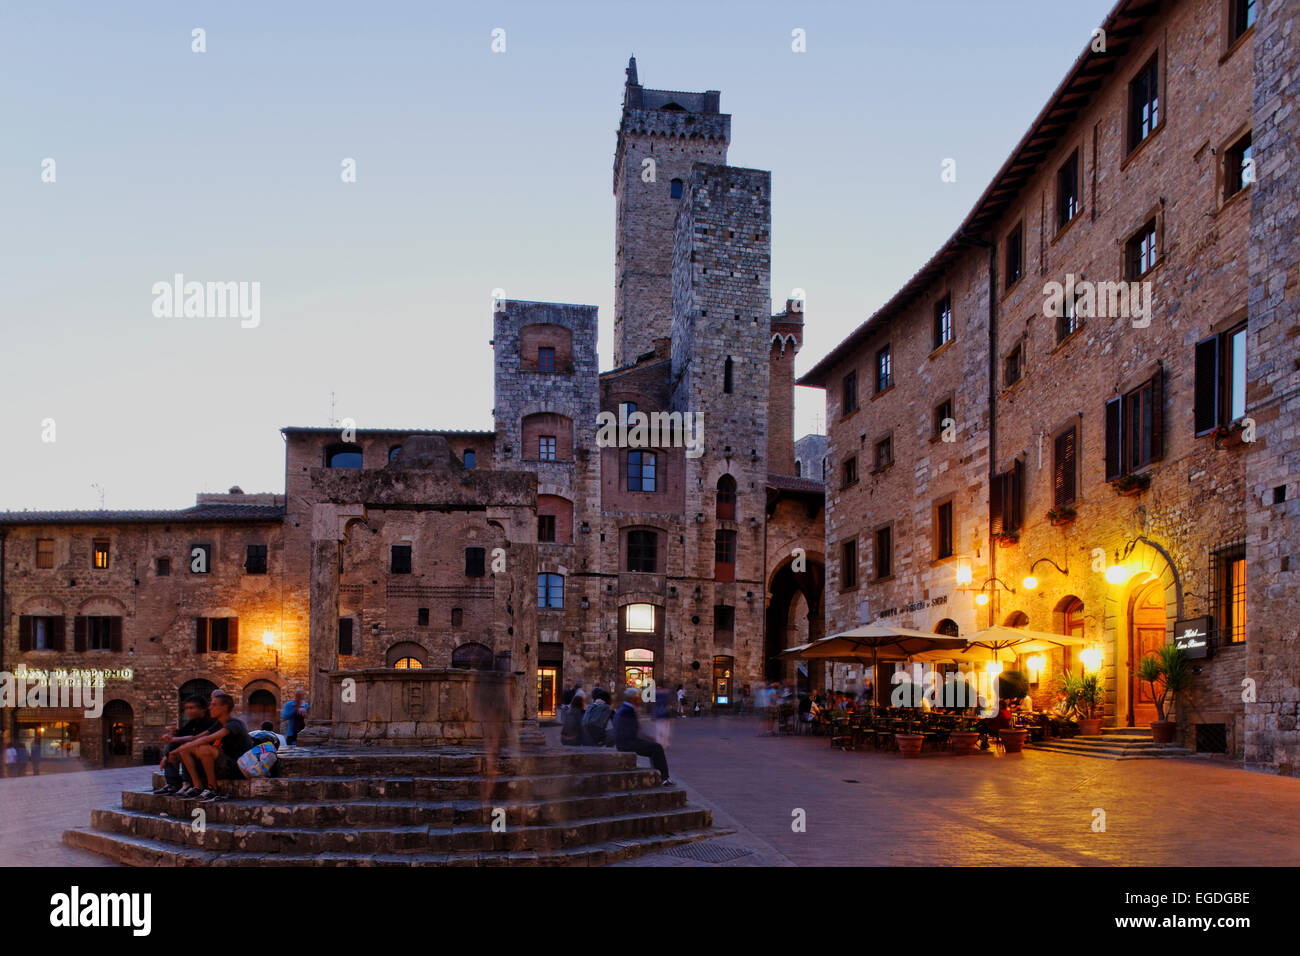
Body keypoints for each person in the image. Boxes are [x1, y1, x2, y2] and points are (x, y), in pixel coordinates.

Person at [175, 691, 255, 800]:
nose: (209, 708)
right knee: (186, 750)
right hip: (222, 765)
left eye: (214, 705)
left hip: (237, 767)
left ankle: (212, 788)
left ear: (224, 708)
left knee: (204, 749)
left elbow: (208, 739)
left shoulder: (234, 724)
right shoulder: (218, 724)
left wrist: (182, 748)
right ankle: (197, 786)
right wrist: (176, 747)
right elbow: (197, 738)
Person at [152, 695, 217, 795]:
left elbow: (195, 738)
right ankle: (172, 784)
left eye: (191, 708)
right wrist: (171, 735)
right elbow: (181, 734)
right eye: (186, 708)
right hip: (194, 750)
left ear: (203, 709)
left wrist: (172, 743)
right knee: (170, 747)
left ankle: (188, 783)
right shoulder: (193, 722)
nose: (188, 711)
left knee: (185, 749)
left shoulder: (210, 721)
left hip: (207, 755)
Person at [613, 688, 671, 785]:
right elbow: (632, 731)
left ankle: (659, 775)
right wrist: (647, 738)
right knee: (657, 748)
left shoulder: (623, 709)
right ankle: (663, 778)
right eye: (638, 698)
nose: (640, 700)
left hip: (623, 741)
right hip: (627, 743)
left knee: (654, 747)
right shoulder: (628, 711)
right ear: (634, 699)